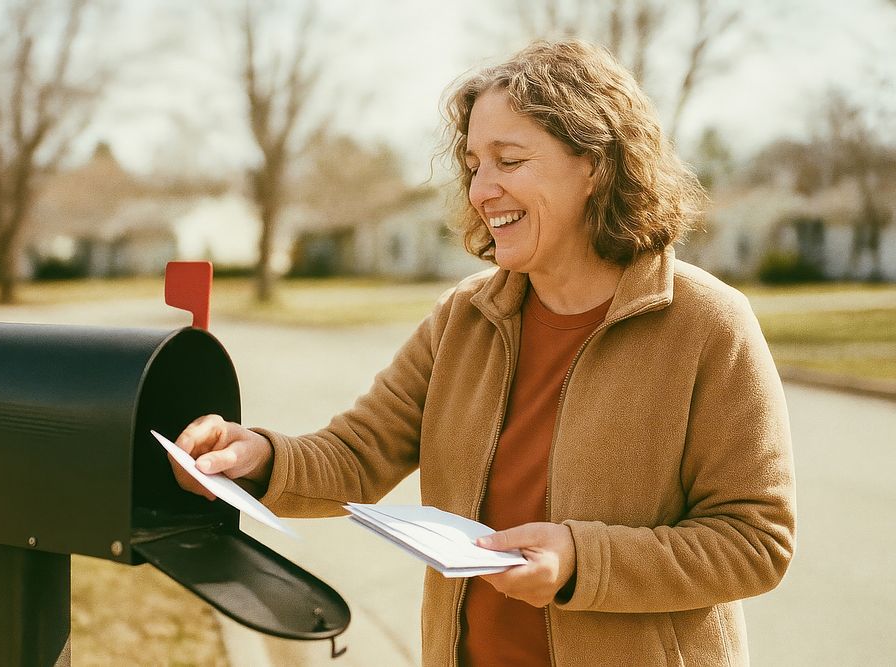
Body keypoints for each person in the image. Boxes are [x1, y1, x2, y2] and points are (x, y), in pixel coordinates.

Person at [171, 39, 796, 666]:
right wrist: (256, 458)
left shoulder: (707, 323)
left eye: (510, 160)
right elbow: (358, 456)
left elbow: (754, 541)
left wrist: (583, 560)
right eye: (474, 165)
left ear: (596, 166)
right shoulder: (462, 320)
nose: (480, 190)